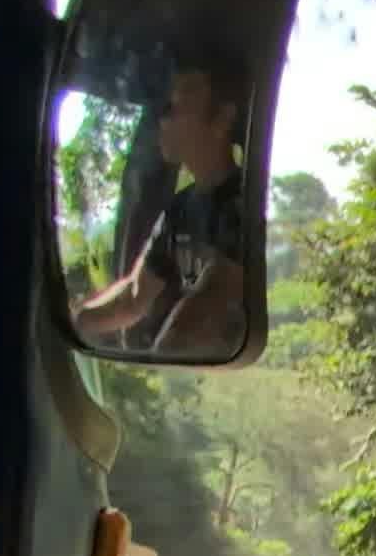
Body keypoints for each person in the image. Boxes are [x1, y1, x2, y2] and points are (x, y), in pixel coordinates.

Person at [70, 58, 250, 360]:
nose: (162, 119)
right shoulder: (179, 208)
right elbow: (135, 295)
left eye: (175, 107)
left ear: (221, 119)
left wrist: (161, 357)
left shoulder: (242, 205)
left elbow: (211, 301)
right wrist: (75, 322)